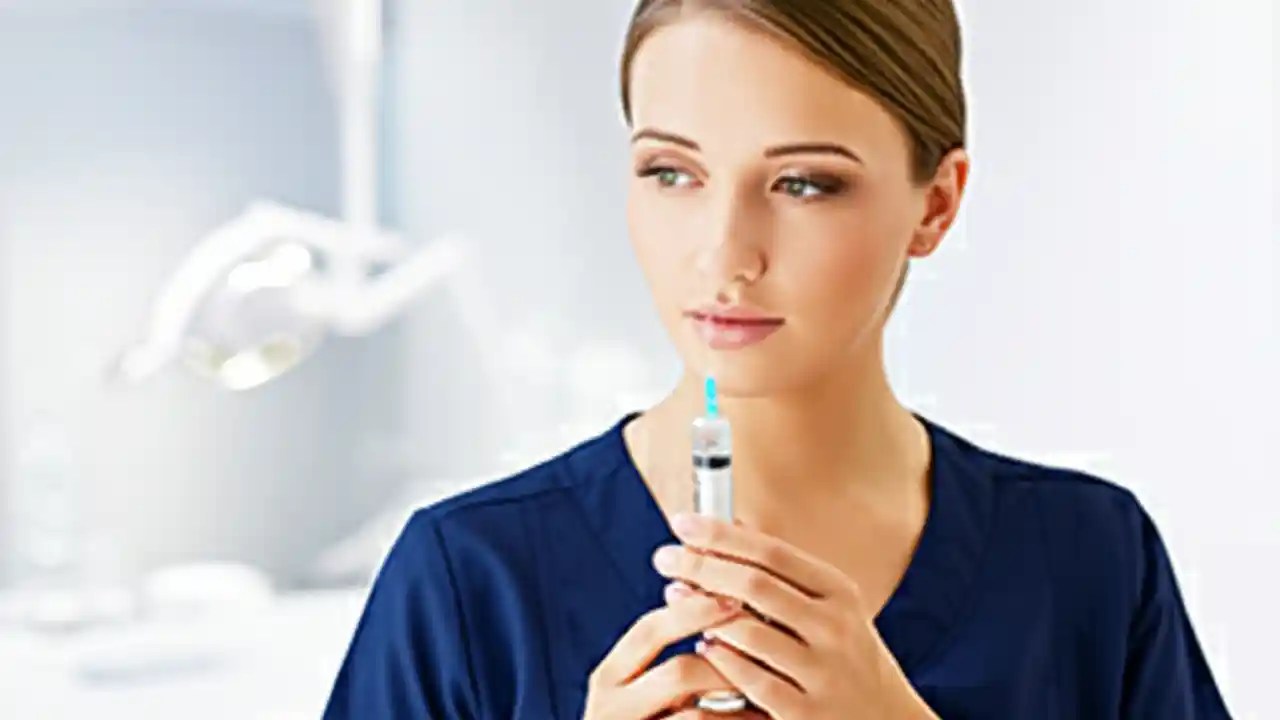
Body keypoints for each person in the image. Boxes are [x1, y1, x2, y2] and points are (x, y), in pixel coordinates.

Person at [323, 1, 1231, 717]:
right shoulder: (468, 579)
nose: (724, 255)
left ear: (936, 204)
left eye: (804, 183)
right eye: (671, 173)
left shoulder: (1088, 561)